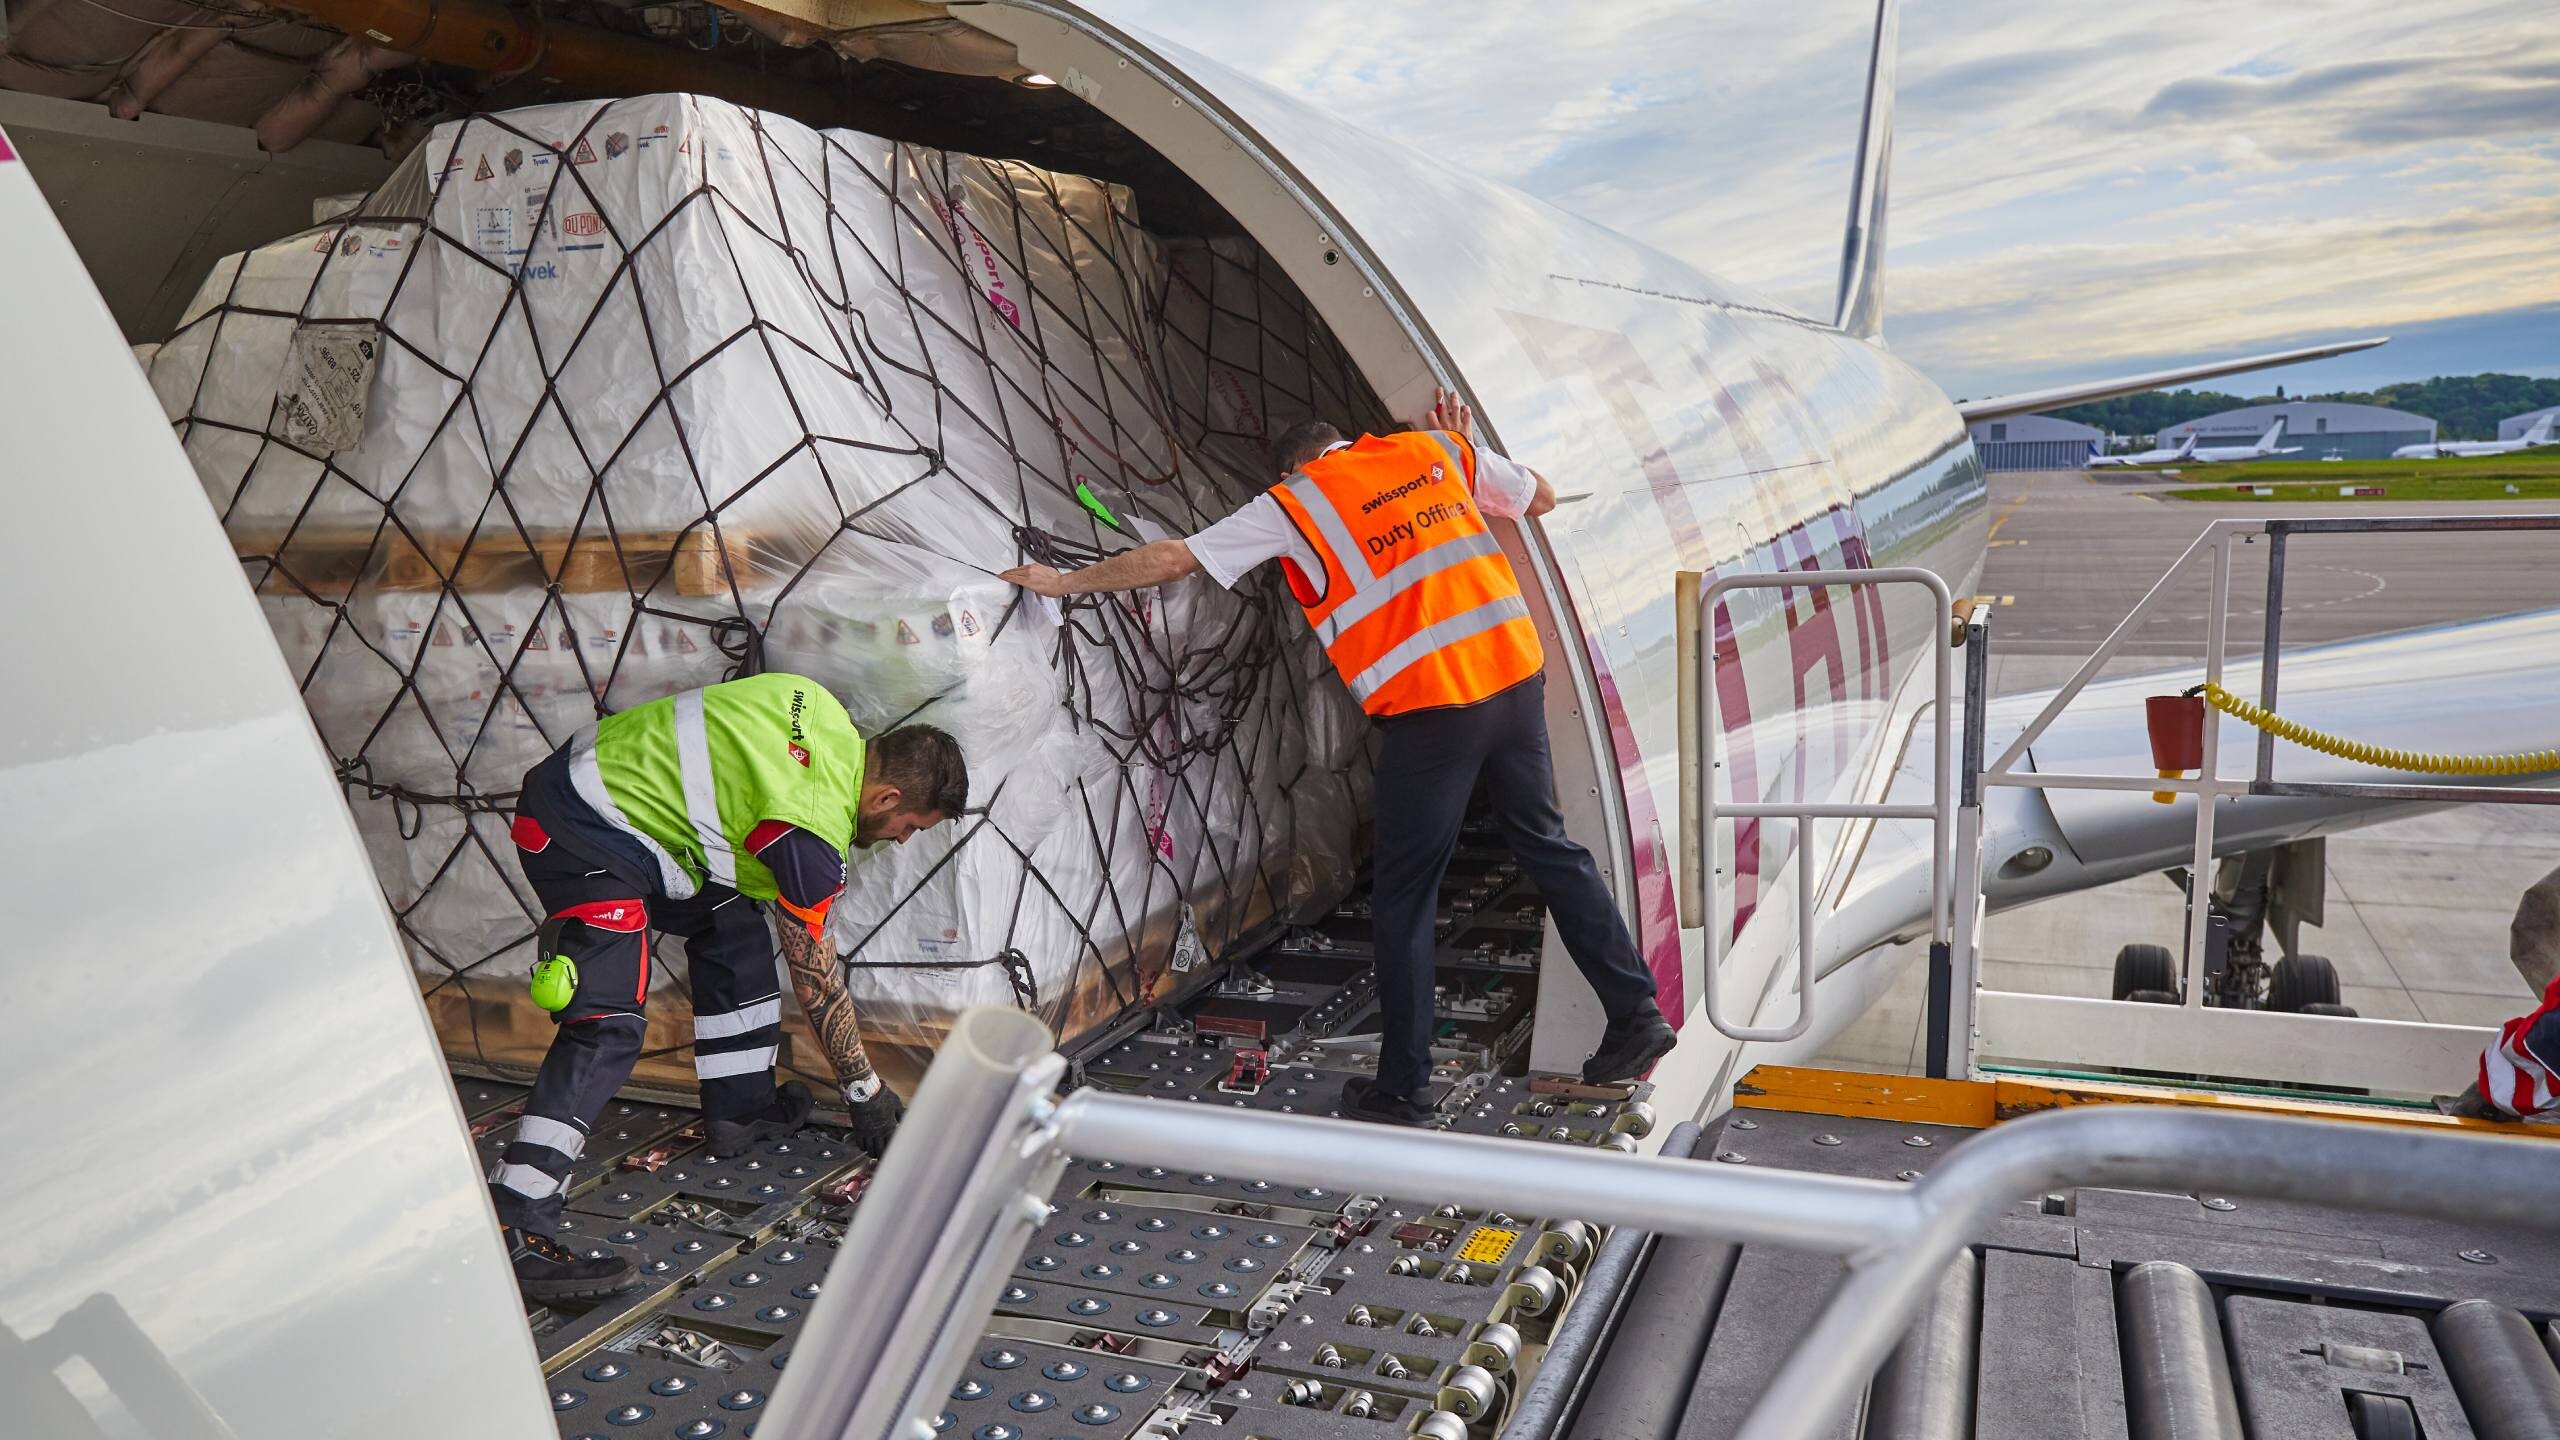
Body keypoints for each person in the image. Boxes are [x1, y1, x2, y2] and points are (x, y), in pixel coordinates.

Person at [1000, 388, 1675, 1127]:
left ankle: (1405, 1087)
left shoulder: (1297, 504)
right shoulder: (1431, 452)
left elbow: (1174, 559)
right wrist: (1468, 455)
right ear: (1347, 441)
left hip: (1432, 710)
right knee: (1550, 848)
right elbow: (1539, 497)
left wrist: (1064, 582)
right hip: (1514, 683)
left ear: (1291, 470)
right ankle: (1635, 1012)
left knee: (1405, 898)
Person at [490, 672, 968, 1299]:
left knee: (734, 926)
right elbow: (816, 980)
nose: (903, 840)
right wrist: (865, 1092)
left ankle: (741, 1108)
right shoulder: (812, 830)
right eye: (911, 825)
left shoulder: (817, 706)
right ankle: (517, 1224)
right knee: (607, 1026)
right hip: (578, 829)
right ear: (885, 798)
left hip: (622, 814)